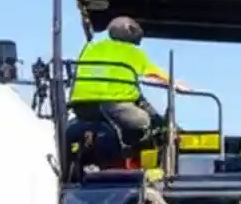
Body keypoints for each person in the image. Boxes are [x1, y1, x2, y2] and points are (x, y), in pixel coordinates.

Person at [67, 15, 191, 146]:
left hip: (81, 106)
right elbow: (153, 73)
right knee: (144, 120)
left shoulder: (90, 48)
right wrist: (175, 83)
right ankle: (150, 142)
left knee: (138, 97)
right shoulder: (132, 52)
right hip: (111, 105)